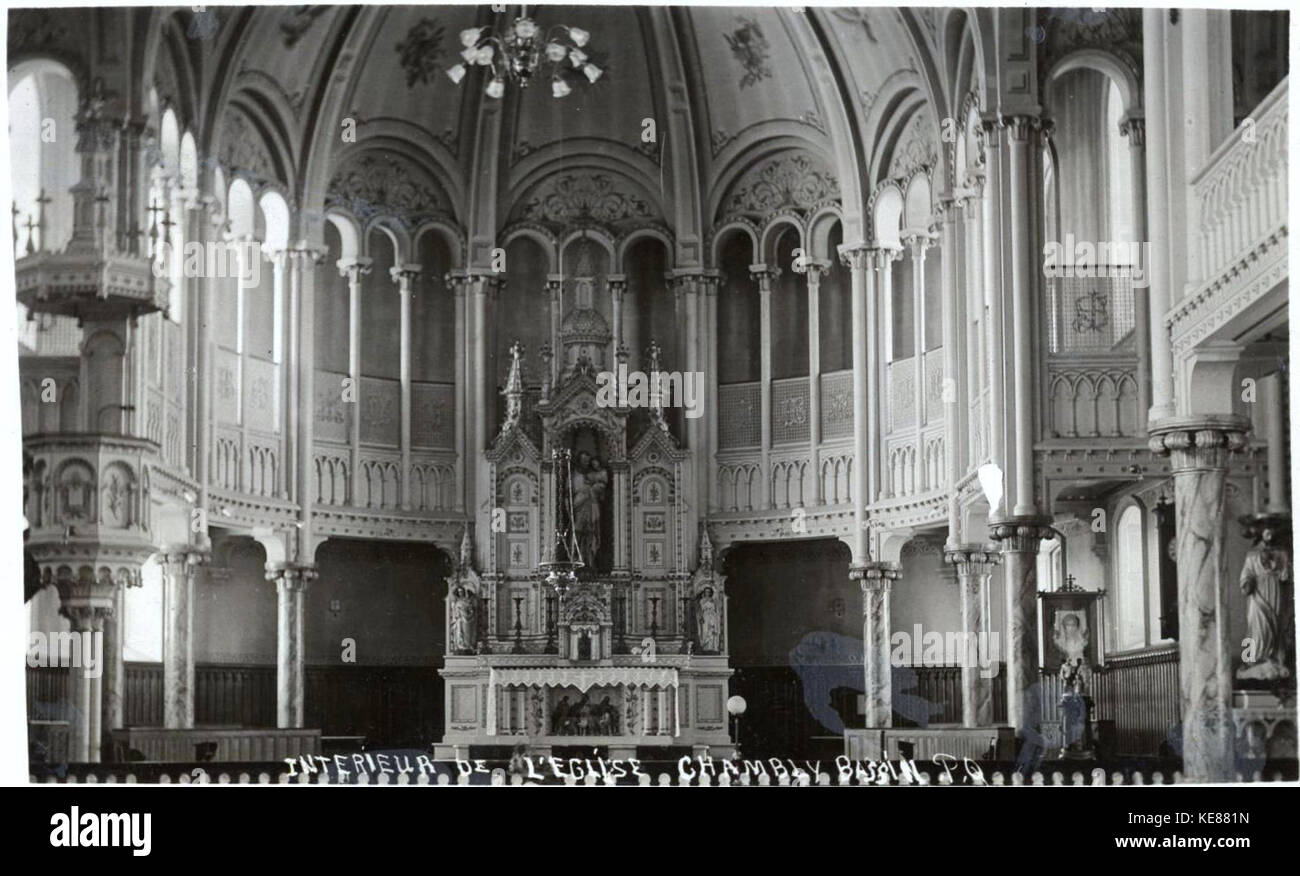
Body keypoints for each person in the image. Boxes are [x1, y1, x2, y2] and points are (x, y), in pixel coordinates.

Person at [1238, 524, 1293, 681]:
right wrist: (1248, 583)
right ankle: (1250, 660)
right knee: (1256, 628)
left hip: (1275, 593)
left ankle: (1274, 659)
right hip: (1257, 596)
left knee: (1276, 626)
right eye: (1266, 532)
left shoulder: (1282, 554)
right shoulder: (1251, 556)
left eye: (1271, 532)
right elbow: (1246, 575)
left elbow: (1285, 577)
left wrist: (1279, 565)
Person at [697, 586, 721, 652]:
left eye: (709, 592)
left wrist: (715, 617)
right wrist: (701, 617)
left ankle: (712, 647)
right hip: (705, 616)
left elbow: (716, 609)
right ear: (704, 592)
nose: (707, 593)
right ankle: (705, 647)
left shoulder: (713, 600)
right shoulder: (702, 600)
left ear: (710, 592)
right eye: (706, 592)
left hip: (712, 616)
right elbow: (700, 610)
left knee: (712, 631)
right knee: (705, 631)